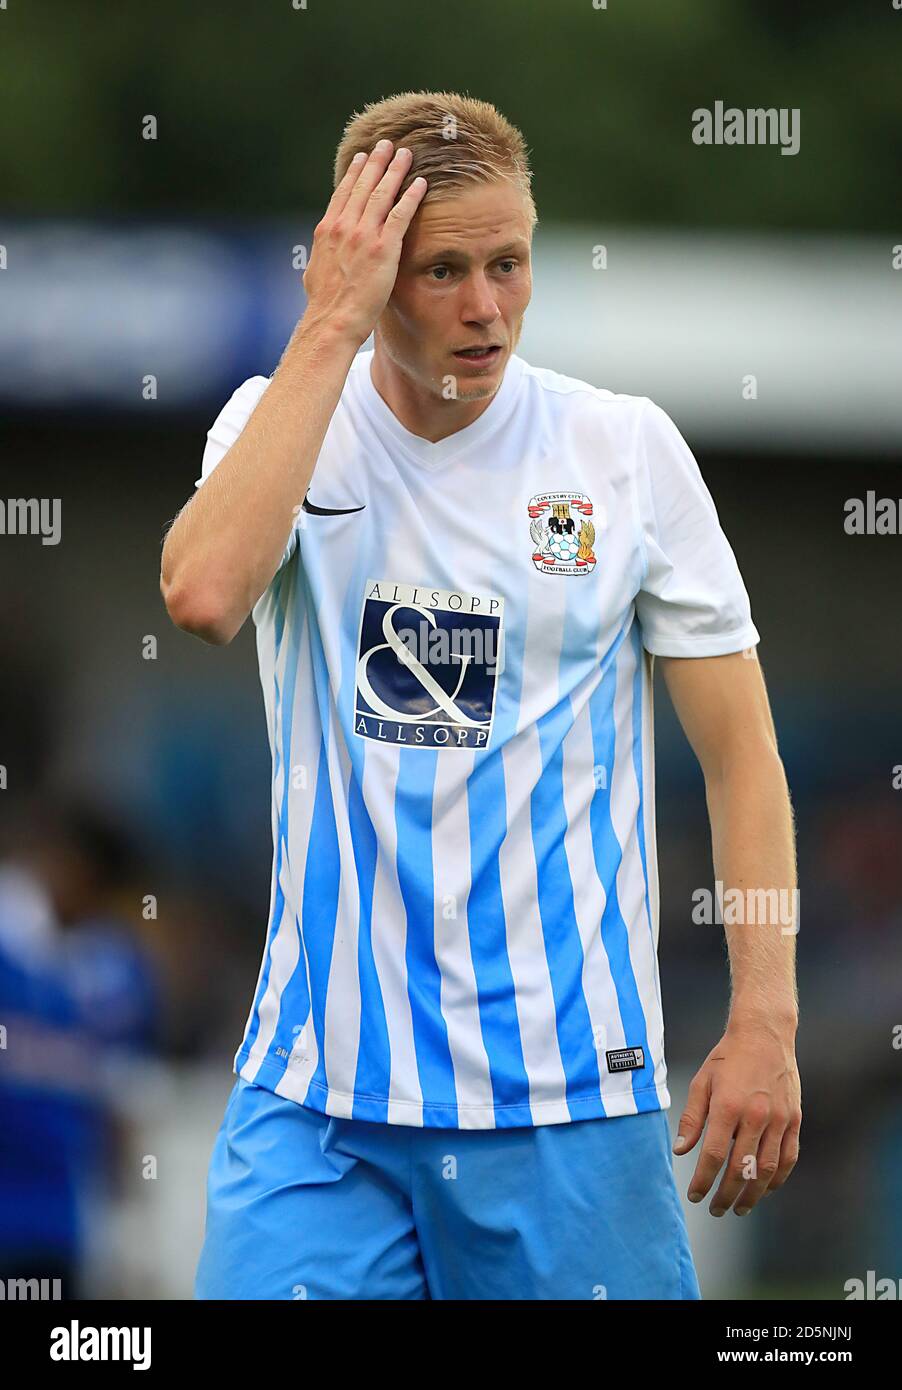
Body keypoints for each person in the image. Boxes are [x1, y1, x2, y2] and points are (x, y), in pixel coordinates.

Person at [161, 91, 801, 1300]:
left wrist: (763, 1014)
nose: (483, 306)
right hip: (320, 1102)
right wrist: (324, 332)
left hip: (566, 1097)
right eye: (440, 269)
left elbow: (742, 758)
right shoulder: (279, 424)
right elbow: (202, 593)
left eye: (507, 263)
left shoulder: (622, 453)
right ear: (360, 267)